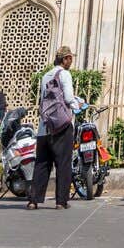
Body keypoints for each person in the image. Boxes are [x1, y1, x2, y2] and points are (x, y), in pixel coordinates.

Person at [28, 46, 82, 209]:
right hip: (61, 126)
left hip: (45, 126)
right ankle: (61, 201)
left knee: (42, 163)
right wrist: (78, 104)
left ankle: (33, 200)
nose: (71, 62)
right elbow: (68, 98)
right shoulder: (64, 74)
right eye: (70, 58)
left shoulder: (46, 76)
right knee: (63, 163)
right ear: (64, 59)